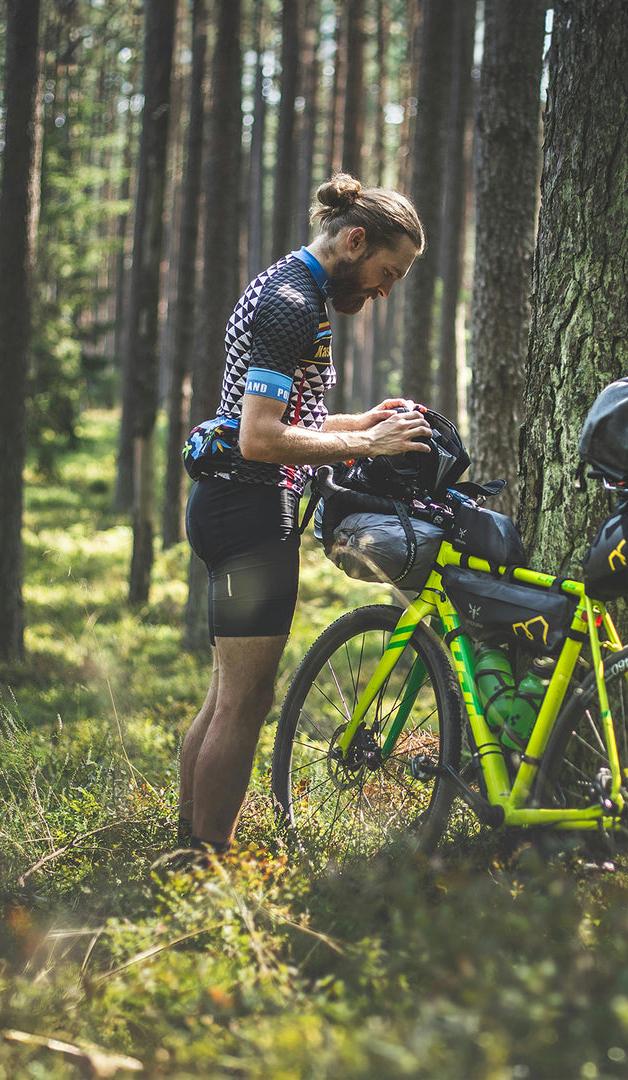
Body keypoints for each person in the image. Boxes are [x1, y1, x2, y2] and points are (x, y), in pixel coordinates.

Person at [178, 173, 431, 853]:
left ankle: (186, 845)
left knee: (226, 695)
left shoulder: (292, 286)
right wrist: (363, 442)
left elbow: (281, 418)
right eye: (387, 271)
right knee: (245, 701)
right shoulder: (293, 303)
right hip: (249, 507)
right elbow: (260, 436)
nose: (384, 289)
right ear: (355, 240)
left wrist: (361, 421)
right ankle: (206, 867)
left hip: (237, 501)